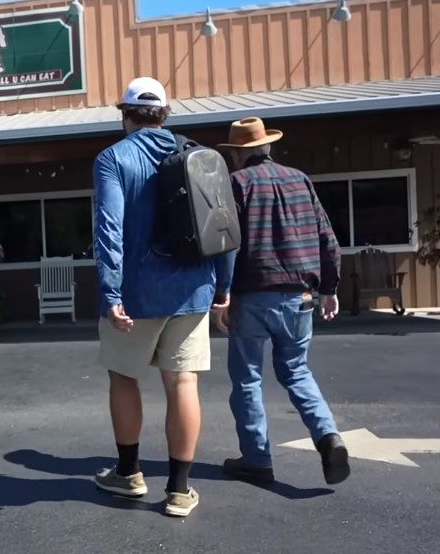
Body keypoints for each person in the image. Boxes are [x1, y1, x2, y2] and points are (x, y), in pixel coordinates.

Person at [91, 76, 235, 518]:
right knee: (183, 383)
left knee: (124, 378)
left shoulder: (113, 159)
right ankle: (178, 490)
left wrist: (110, 291)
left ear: (125, 114)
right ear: (165, 114)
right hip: (192, 290)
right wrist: (223, 288)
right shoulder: (201, 155)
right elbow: (226, 228)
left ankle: (130, 474)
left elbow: (109, 228)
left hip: (135, 294)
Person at [212, 117, 350, 486]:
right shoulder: (300, 180)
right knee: (296, 371)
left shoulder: (236, 184)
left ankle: (257, 459)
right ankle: (328, 436)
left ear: (239, 154)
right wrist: (330, 289)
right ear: (267, 147)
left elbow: (228, 245)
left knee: (247, 379)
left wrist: (221, 295)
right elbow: (327, 239)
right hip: (300, 296)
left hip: (252, 297)